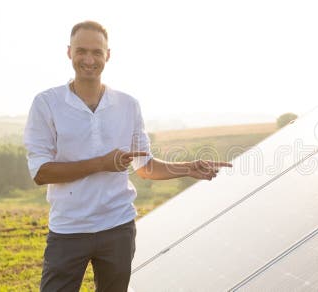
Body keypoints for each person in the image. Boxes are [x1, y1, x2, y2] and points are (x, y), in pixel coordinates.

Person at [23, 20, 232, 292]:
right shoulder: (46, 103)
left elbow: (145, 167)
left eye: (97, 52)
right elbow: (41, 172)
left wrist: (188, 168)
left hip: (118, 228)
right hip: (69, 229)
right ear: (69, 52)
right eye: (81, 51)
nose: (89, 59)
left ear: (108, 55)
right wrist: (101, 163)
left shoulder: (128, 105)